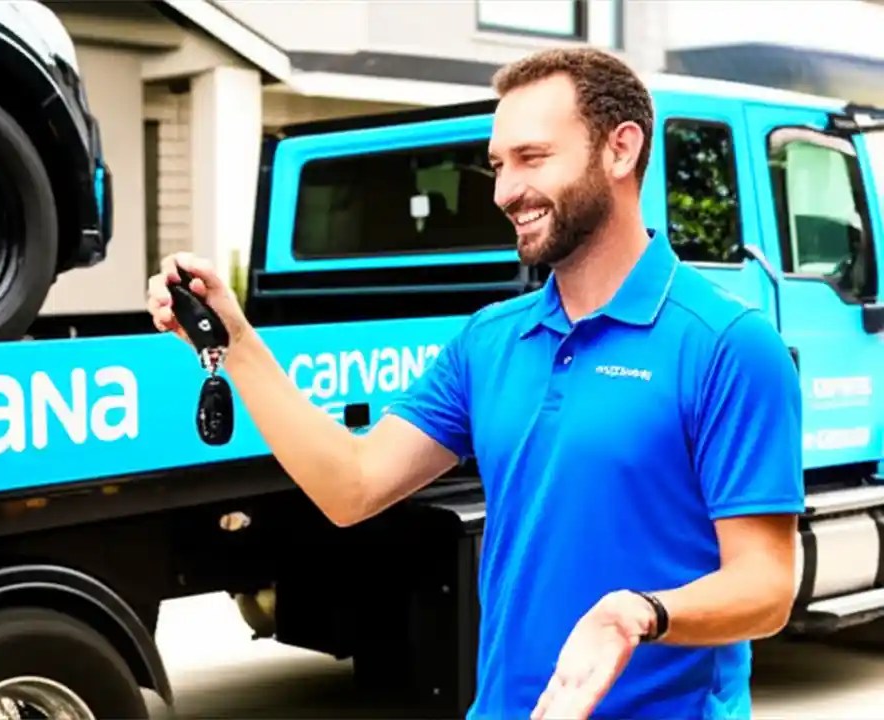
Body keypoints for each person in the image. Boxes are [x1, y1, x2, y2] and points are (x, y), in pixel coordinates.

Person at [146, 47, 803, 720]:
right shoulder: (489, 341)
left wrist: (639, 613)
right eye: (497, 165)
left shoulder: (728, 344)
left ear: (621, 149)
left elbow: (767, 586)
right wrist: (236, 342)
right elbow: (353, 486)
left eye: (532, 157)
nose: (504, 191)